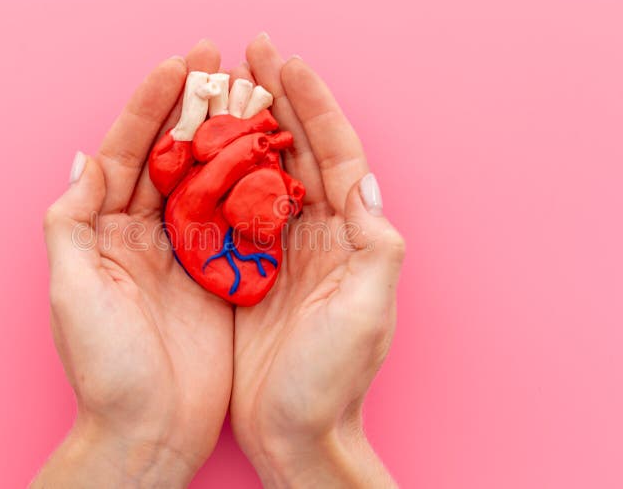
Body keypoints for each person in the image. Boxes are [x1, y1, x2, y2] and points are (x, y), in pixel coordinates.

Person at [33, 34, 405, 488]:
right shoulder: (207, 214)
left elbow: (211, 188)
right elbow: (205, 188)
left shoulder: (234, 238)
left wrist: (129, 438)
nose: (291, 197)